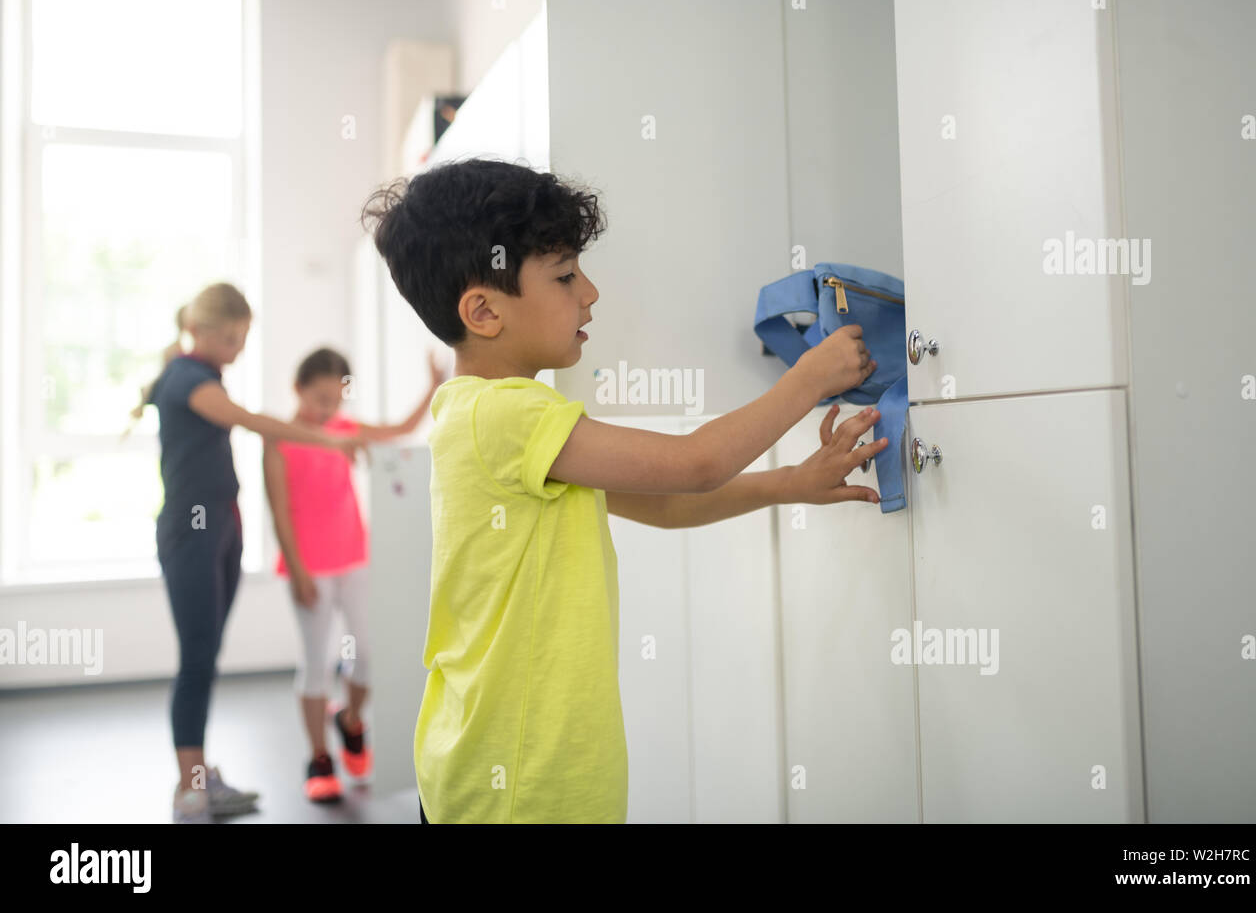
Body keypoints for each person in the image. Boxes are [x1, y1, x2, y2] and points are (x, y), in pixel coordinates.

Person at [360, 157, 886, 823]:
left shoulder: (501, 420)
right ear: (484, 310)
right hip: (519, 781)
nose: (591, 292)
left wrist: (791, 482)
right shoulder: (506, 416)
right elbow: (695, 463)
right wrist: (808, 378)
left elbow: (666, 503)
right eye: (564, 276)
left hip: (520, 766)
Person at [128, 282, 369, 823]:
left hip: (220, 529)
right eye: (233, 339)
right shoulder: (188, 378)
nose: (239, 350)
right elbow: (253, 421)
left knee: (206, 655)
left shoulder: (203, 373)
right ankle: (190, 789)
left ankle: (199, 776)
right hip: (192, 534)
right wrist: (329, 438)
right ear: (206, 331)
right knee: (196, 659)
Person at [262, 346, 443, 803]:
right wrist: (299, 572)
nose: (328, 408)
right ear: (298, 389)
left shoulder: (346, 429)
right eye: (320, 398)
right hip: (309, 569)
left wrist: (432, 386)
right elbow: (280, 513)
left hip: (354, 559)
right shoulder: (279, 439)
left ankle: (351, 721)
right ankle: (319, 759)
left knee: (367, 651)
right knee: (317, 663)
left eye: (336, 399)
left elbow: (402, 429)